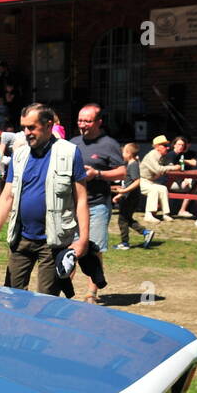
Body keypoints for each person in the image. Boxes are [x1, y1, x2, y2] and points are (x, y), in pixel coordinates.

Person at [0, 103, 90, 297]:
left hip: (52, 241)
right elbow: (7, 196)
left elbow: (81, 199)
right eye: (23, 127)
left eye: (31, 127)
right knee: (12, 296)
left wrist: (83, 240)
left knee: (46, 300)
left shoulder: (70, 152)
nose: (26, 133)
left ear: (48, 126)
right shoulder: (19, 154)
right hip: (21, 238)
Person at [68, 104, 126, 301]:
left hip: (97, 204)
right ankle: (65, 290)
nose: (82, 124)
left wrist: (98, 174)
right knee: (70, 249)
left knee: (94, 249)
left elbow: (122, 171)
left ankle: (91, 293)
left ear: (99, 122)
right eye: (80, 120)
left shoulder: (109, 144)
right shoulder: (73, 143)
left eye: (87, 121)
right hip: (73, 205)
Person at [112, 142, 154, 249]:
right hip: (128, 196)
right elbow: (128, 183)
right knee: (126, 219)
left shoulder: (133, 165)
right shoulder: (130, 164)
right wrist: (120, 195)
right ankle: (145, 232)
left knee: (122, 219)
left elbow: (137, 181)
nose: (122, 155)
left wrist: (123, 191)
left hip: (131, 198)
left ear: (129, 153)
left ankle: (125, 243)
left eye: (123, 152)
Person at [137, 136, 175, 226]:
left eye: (167, 145)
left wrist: (172, 166)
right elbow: (158, 169)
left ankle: (165, 214)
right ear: (157, 146)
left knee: (163, 188)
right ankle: (148, 214)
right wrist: (173, 167)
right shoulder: (152, 155)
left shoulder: (161, 156)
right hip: (141, 181)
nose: (168, 147)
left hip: (149, 181)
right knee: (153, 190)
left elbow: (167, 165)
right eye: (165, 145)